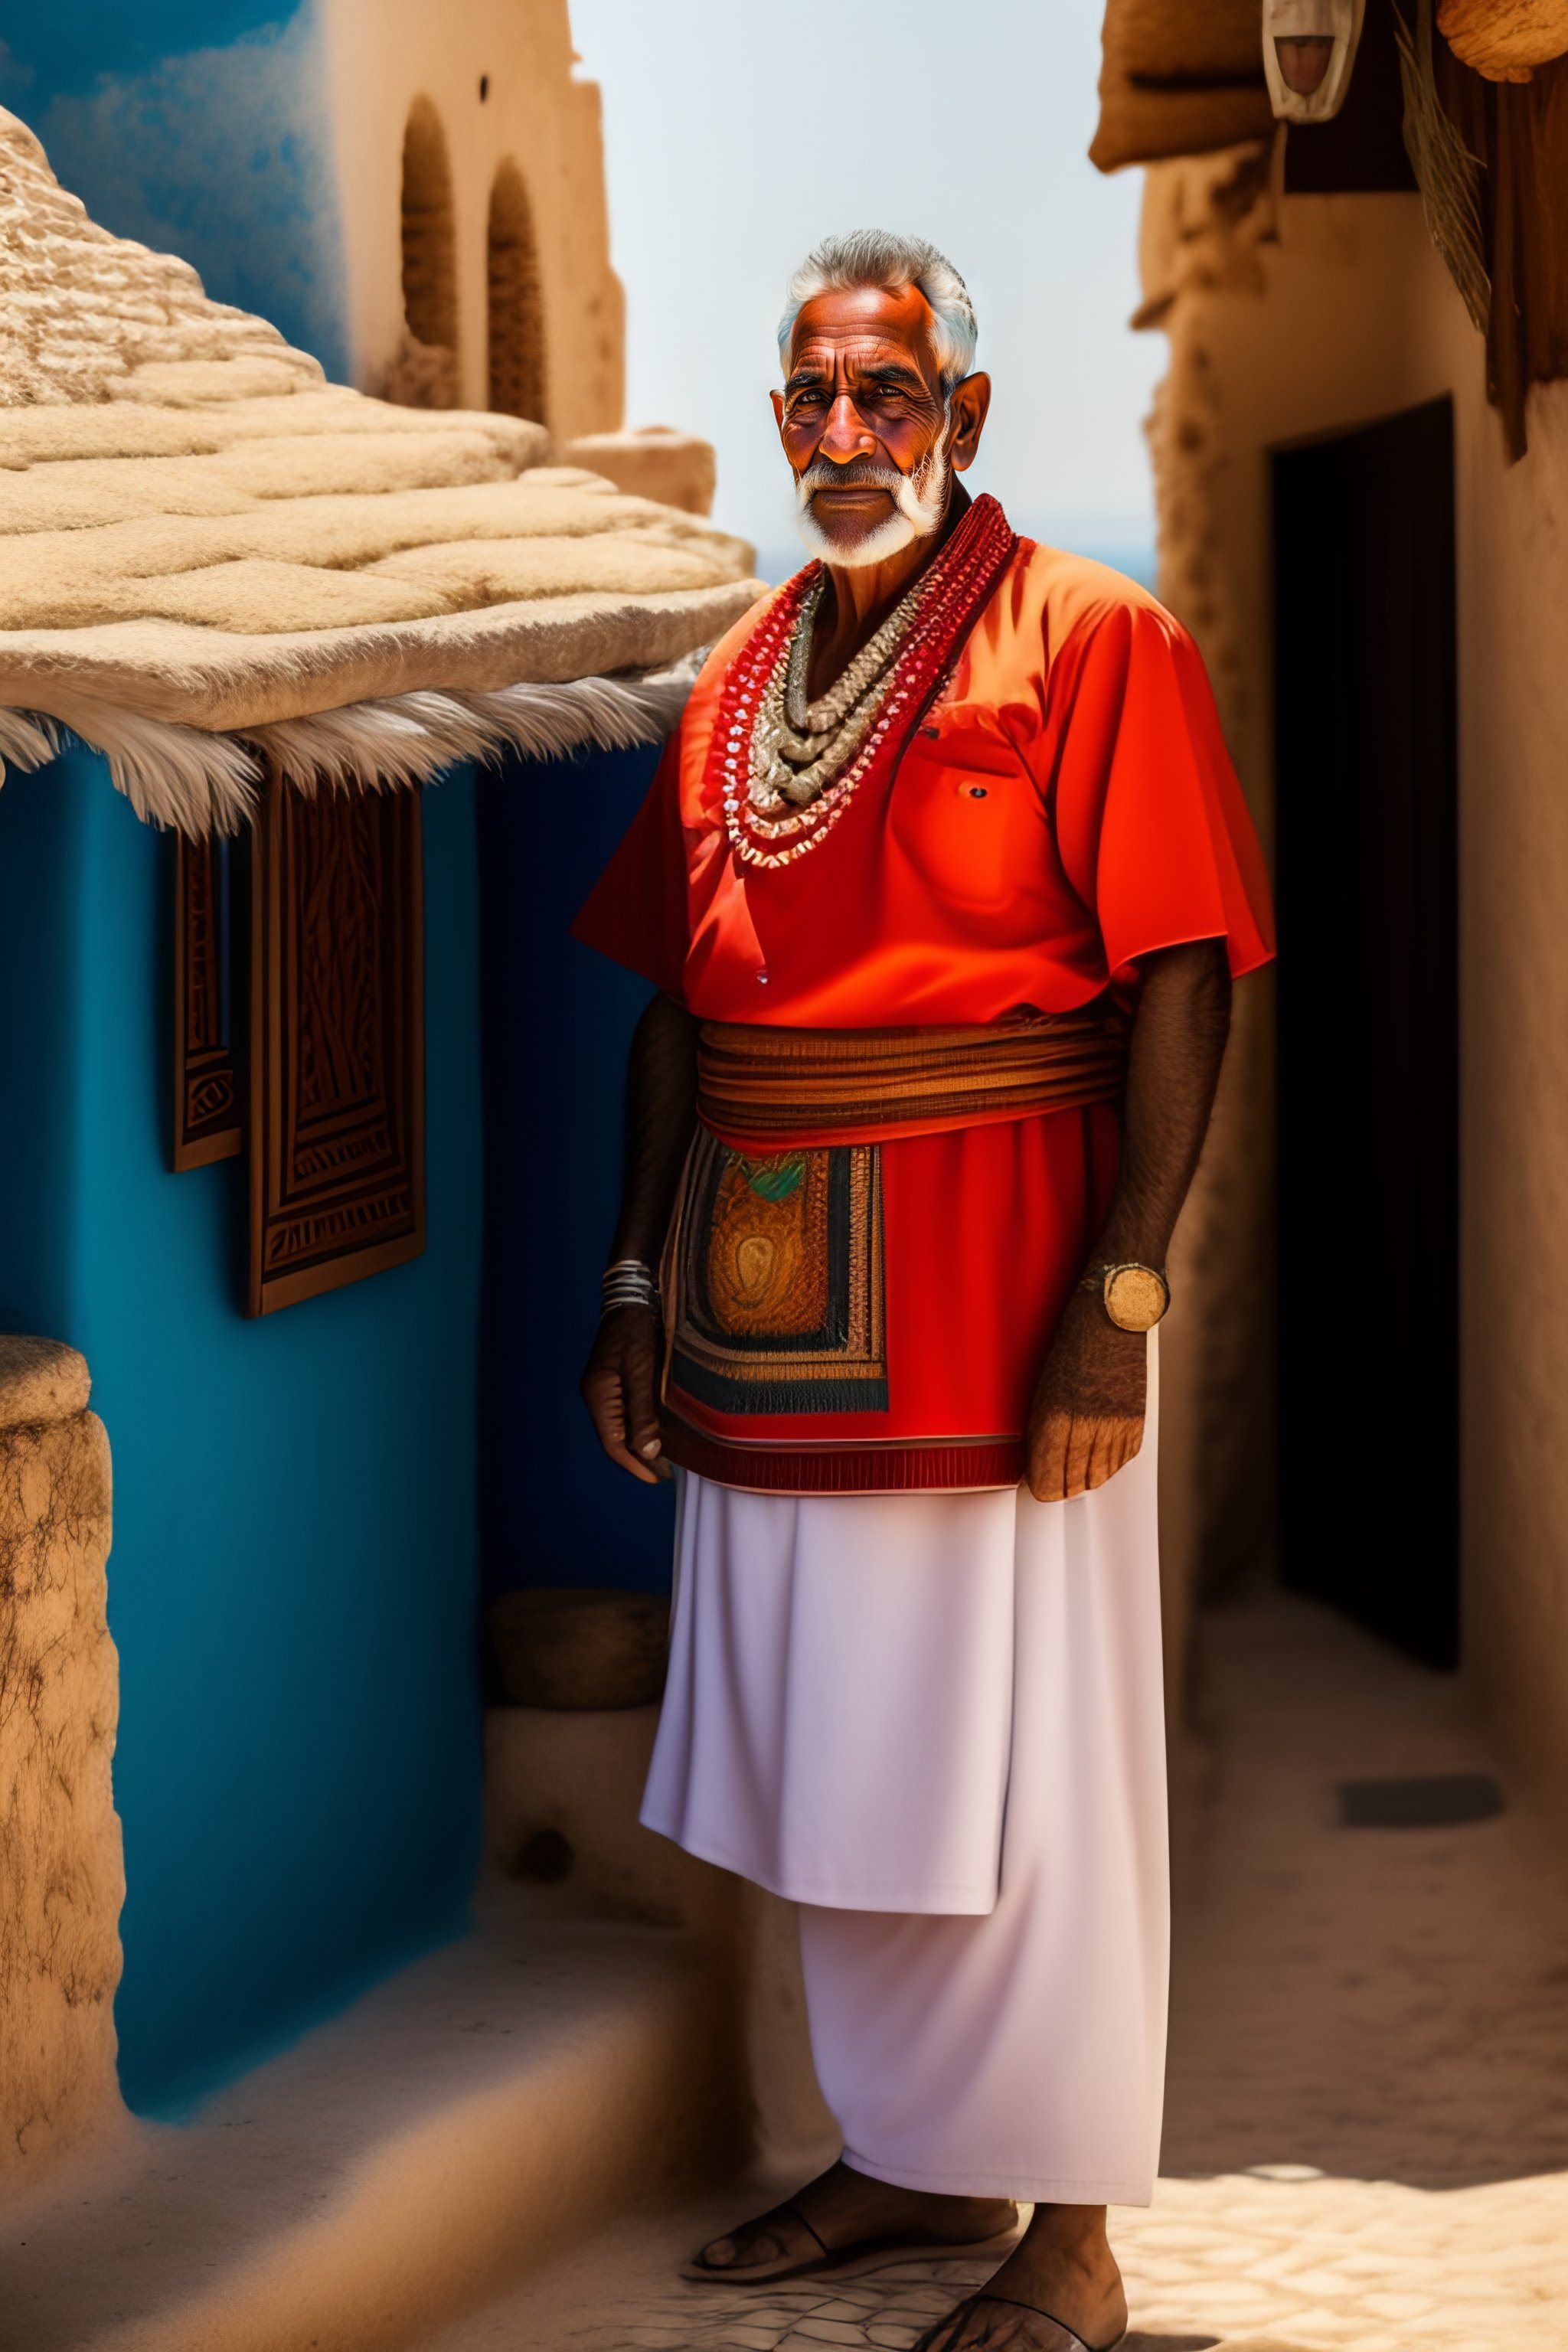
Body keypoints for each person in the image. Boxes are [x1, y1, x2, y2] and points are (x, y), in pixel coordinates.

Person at [574, 230, 1274, 2352]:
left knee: (1034, 1776)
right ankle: (907, 2149)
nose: (848, 436)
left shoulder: (1095, 639)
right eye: (816, 399)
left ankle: (1068, 2236)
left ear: (963, 414)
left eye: (891, 397)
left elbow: (1179, 975)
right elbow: (684, 1017)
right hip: (765, 1310)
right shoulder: (732, 681)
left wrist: (1118, 1305)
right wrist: (630, 1287)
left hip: (1005, 1291)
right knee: (839, 1765)